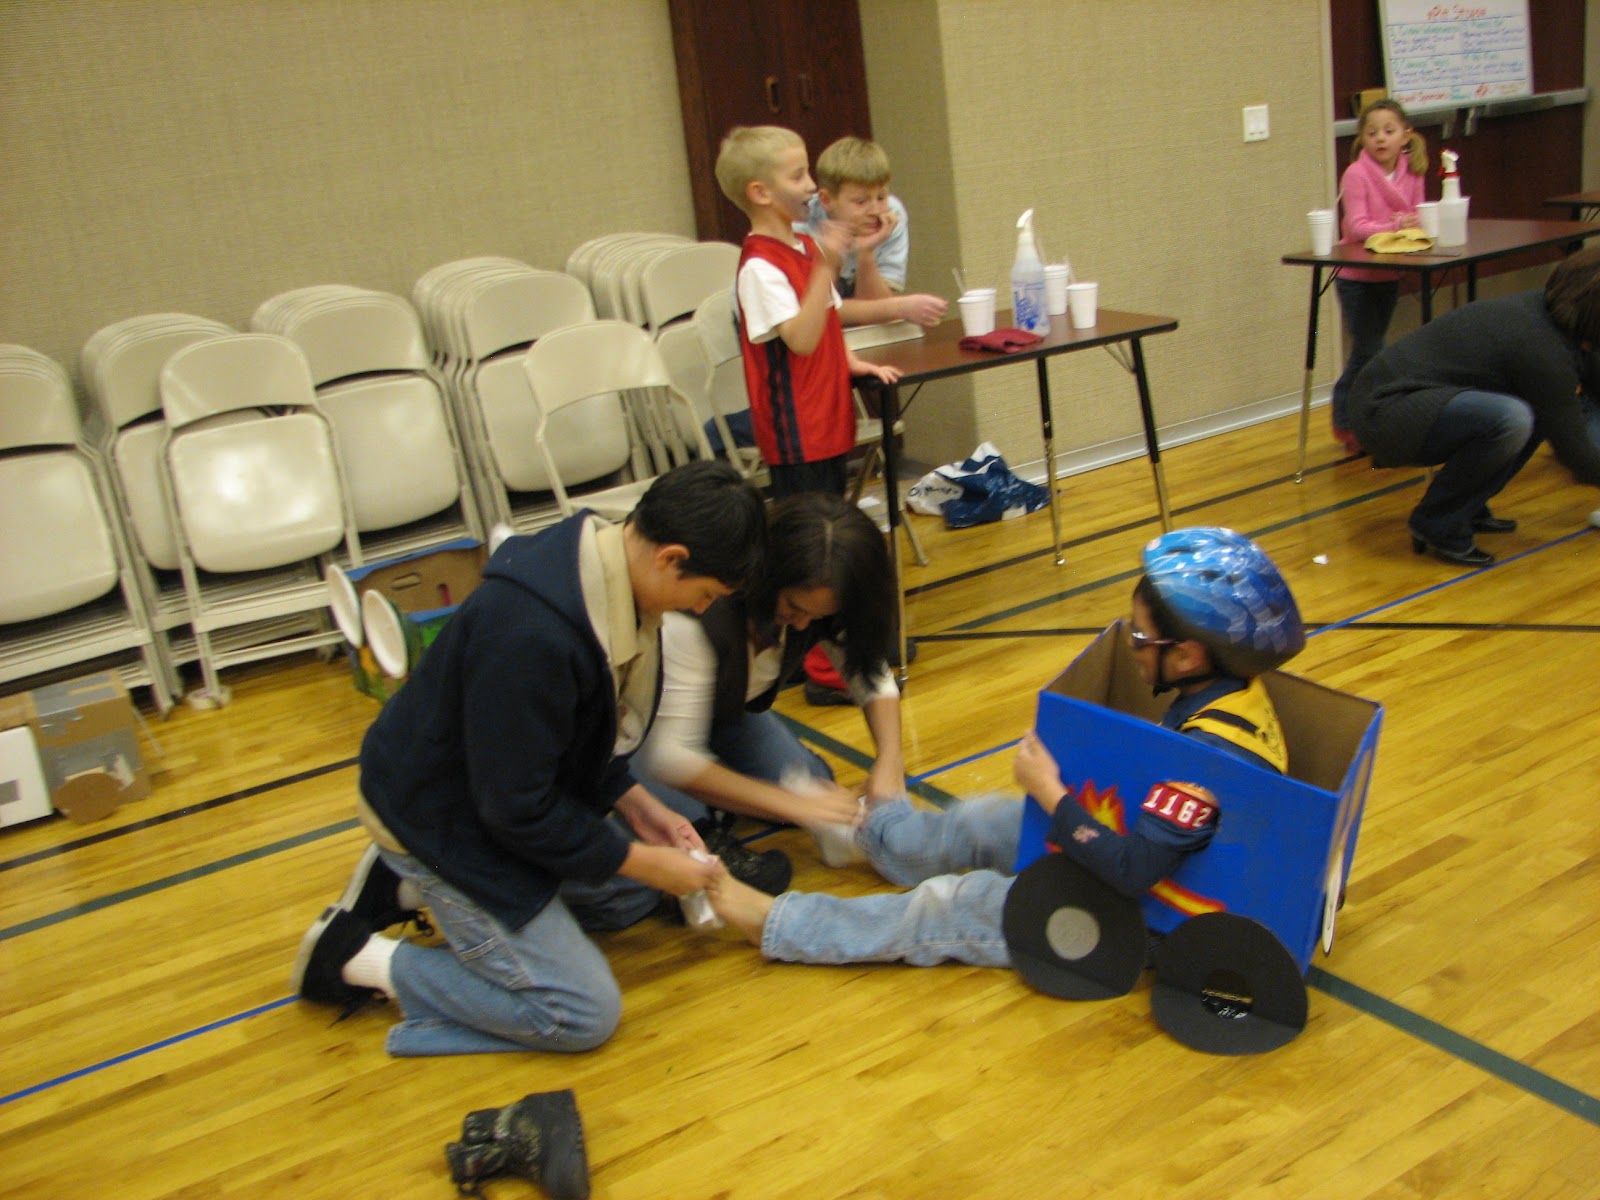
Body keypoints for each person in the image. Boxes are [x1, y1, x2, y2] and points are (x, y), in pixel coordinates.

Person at [290, 460, 767, 1057]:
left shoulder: (604, 554)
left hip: (482, 791)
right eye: (703, 595)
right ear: (670, 557)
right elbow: (517, 809)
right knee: (582, 1012)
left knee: (627, 899)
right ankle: (355, 956)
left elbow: (577, 730)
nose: (700, 611)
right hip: (441, 818)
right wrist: (641, 859)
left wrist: (636, 804)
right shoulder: (534, 635)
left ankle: (408, 889)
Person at [704, 527, 1305, 969]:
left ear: (1190, 655)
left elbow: (1134, 873)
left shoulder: (1209, 764)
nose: (1133, 648)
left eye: (1143, 638)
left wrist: (1050, 791)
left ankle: (781, 924)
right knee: (979, 821)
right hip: (1123, 846)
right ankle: (869, 830)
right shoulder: (1223, 691)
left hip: (1135, 915)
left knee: (950, 905)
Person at [632, 492, 903, 862]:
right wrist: (788, 803)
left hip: (726, 714)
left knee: (812, 788)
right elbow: (669, 756)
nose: (806, 624)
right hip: (641, 730)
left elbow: (870, 673)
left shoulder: (821, 602)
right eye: (793, 607)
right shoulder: (700, 613)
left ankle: (721, 792)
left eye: (820, 616)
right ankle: (707, 818)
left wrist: (890, 759)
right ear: (766, 576)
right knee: (685, 834)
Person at [1348, 245, 1600, 568]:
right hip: (1386, 411)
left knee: (1530, 414)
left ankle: (1467, 506)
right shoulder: (1542, 349)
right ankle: (1438, 522)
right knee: (1513, 419)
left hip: (1409, 399)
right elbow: (1573, 451)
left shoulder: (1559, 318)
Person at [714, 124, 903, 500]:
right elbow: (800, 339)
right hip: (797, 433)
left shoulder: (805, 245)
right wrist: (828, 263)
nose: (811, 186)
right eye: (798, 175)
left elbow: (828, 317)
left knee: (833, 521)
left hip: (829, 421)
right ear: (760, 192)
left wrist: (849, 360)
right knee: (810, 536)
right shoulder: (759, 267)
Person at [1330, 98, 1428, 454]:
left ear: (1405, 135)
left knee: (1372, 347)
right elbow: (1356, 227)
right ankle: (1347, 418)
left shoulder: (1413, 170)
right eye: (1372, 133)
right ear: (1362, 139)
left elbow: (1417, 215)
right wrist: (1395, 225)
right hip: (1356, 275)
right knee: (1369, 348)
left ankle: (1367, 417)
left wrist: (1410, 225)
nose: (1380, 139)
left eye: (1389, 131)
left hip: (1388, 272)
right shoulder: (1356, 174)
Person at [799, 136, 948, 330]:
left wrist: (866, 253)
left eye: (881, 197)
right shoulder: (801, 224)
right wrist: (900, 307)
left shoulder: (892, 216)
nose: (875, 210)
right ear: (826, 200)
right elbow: (817, 313)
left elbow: (878, 318)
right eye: (861, 202)